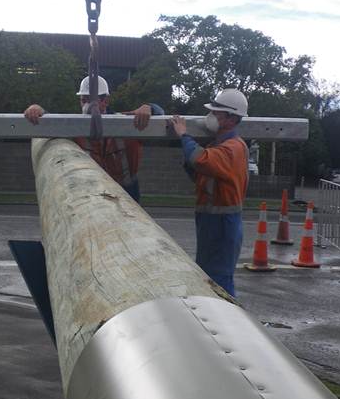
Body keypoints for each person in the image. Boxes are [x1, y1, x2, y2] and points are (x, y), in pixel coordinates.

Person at [23, 76, 163, 202]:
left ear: (106, 101)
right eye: (84, 100)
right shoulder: (75, 128)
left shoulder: (124, 124)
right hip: (91, 196)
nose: (87, 106)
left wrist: (150, 108)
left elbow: (160, 117)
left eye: (92, 100)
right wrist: (37, 110)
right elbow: (53, 124)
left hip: (127, 194)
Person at [169, 88, 250, 297]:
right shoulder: (220, 145)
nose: (211, 116)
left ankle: (227, 324)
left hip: (222, 225)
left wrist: (184, 136)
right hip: (213, 222)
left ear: (231, 118)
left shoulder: (232, 148)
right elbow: (202, 175)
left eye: (216, 112)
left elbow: (200, 159)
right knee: (208, 277)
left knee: (219, 281)